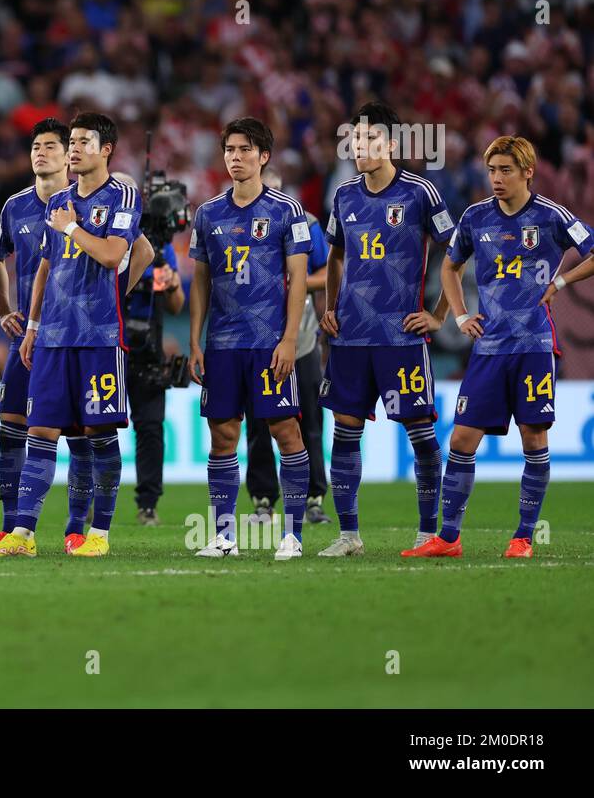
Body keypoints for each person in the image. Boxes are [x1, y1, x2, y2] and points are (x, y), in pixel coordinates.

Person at [409, 135, 594, 559]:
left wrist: (561, 282)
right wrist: (457, 315)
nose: (496, 178)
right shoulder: (475, 217)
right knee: (461, 440)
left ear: (528, 171)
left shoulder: (551, 216)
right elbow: (451, 267)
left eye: (505, 170)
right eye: (492, 170)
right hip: (489, 349)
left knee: (533, 438)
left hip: (533, 346)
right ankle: (449, 538)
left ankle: (524, 537)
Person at [0, 119, 154, 552]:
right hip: (52, 337)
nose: (73, 149)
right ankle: (23, 534)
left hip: (97, 337)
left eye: (81, 142)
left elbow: (116, 255)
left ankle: (98, 534)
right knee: (41, 431)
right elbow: (43, 266)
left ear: (106, 148)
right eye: (70, 143)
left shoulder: (122, 195)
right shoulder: (58, 201)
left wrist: (74, 231)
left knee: (98, 434)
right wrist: (33, 327)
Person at [317, 102, 455, 556]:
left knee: (420, 434)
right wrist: (331, 306)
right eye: (355, 140)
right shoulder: (344, 196)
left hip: (401, 337)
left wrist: (438, 314)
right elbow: (334, 256)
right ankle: (349, 535)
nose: (361, 148)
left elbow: (456, 251)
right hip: (351, 338)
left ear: (392, 144)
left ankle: (427, 532)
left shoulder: (420, 193)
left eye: (371, 140)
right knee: (345, 430)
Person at [188, 117, 313, 560]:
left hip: (268, 343)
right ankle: (224, 536)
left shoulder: (286, 210)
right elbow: (200, 281)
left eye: (244, 150)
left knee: (286, 431)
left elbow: (298, 279)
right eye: (230, 150)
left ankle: (293, 535)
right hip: (222, 344)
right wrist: (195, 341)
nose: (235, 158)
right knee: (223, 436)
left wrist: (288, 339)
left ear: (263, 157)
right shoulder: (207, 214)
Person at [244, 168, 330, 526]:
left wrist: (295, 282)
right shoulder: (237, 221)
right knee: (259, 423)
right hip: (255, 340)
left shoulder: (306, 223)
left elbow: (329, 271)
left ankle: (313, 498)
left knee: (309, 421)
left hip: (304, 339)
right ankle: (263, 499)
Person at [113, 171, 182, 526]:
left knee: (150, 428)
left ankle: (148, 504)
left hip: (147, 349)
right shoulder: (100, 235)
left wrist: (170, 284)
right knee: (97, 429)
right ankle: (93, 501)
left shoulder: (158, 240)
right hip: (108, 345)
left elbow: (177, 303)